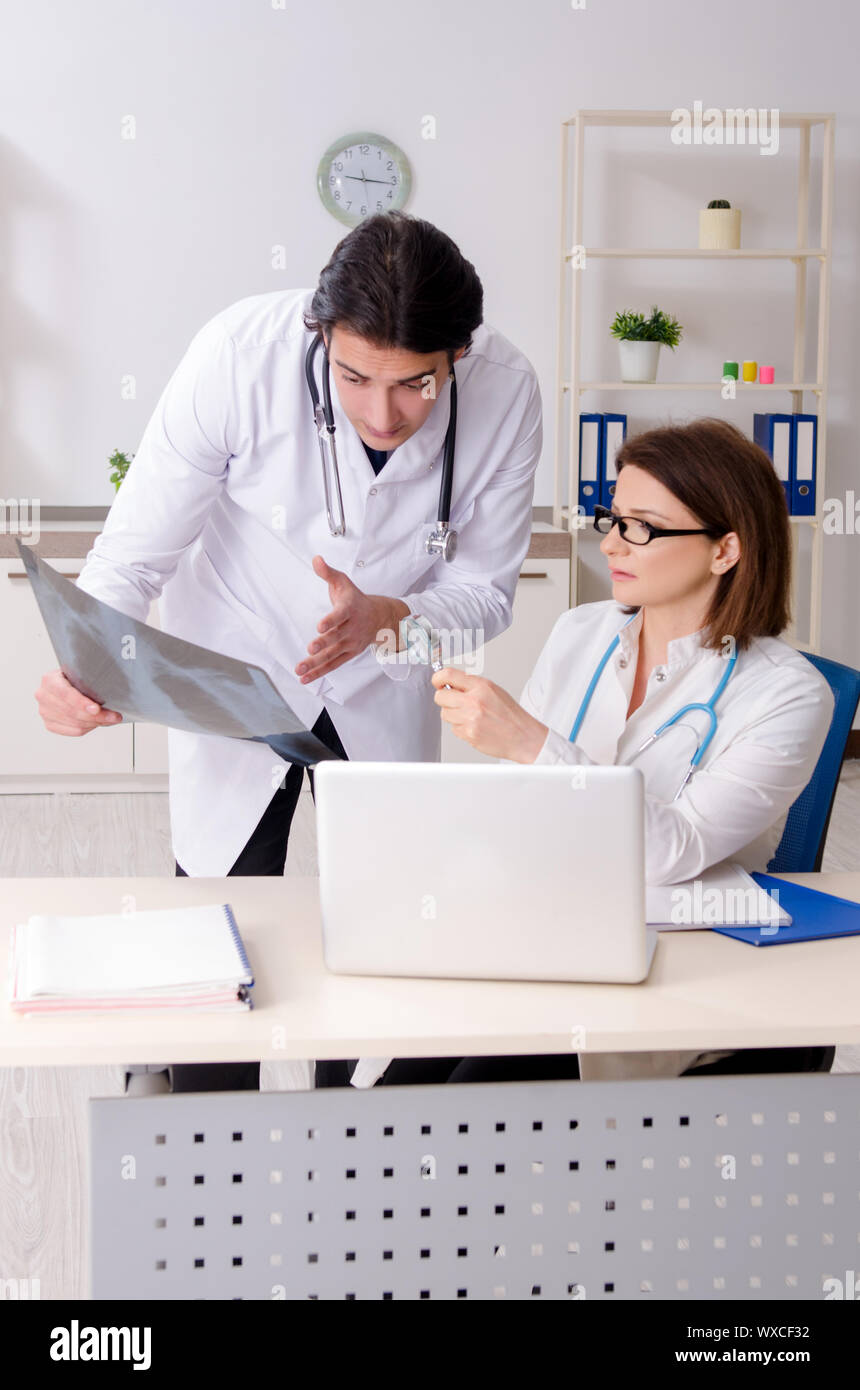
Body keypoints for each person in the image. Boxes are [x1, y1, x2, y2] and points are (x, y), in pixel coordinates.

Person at [34, 212, 542, 1092]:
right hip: (235, 664)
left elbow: (488, 596)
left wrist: (389, 617)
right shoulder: (238, 354)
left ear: (460, 352)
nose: (385, 414)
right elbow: (133, 554)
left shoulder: (509, 390)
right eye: (354, 376)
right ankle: (197, 1125)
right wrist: (86, 668)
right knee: (219, 914)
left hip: (384, 679)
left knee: (366, 935)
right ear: (319, 332)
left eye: (416, 384)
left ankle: (327, 1151)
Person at [319, 418, 835, 1088]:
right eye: (611, 518)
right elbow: (516, 804)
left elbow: (675, 851)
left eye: (641, 527)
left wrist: (534, 745)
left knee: (462, 1099)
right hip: (541, 927)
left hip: (674, 967)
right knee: (396, 1085)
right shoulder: (582, 632)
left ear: (725, 550)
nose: (613, 543)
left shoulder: (788, 694)